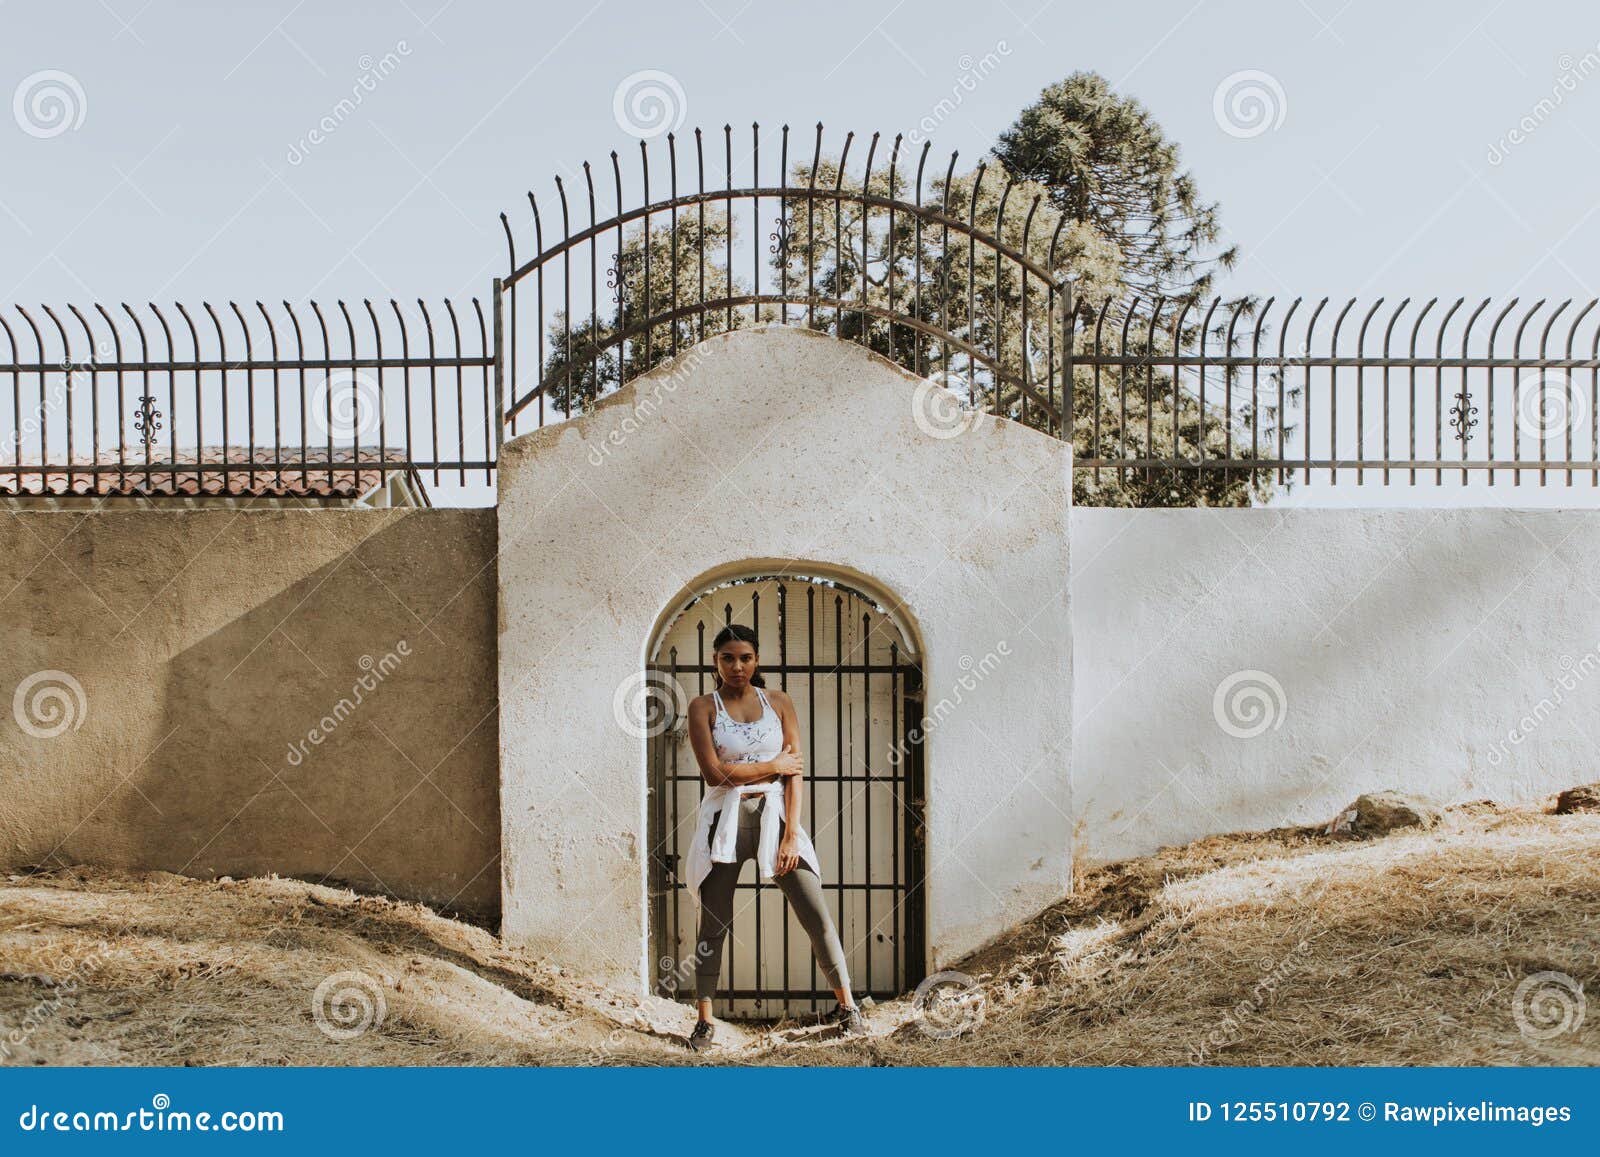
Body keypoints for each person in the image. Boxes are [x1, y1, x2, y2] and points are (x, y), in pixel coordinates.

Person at [679, 622, 862, 1050]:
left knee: (815, 914)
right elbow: (713, 773)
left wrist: (791, 835)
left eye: (745, 657)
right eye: (728, 658)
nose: (737, 666)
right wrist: (774, 765)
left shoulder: (778, 702)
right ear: (715, 662)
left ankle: (848, 1007)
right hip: (724, 822)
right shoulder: (702, 707)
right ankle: (704, 1022)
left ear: (756, 660)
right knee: (714, 922)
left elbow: (796, 771)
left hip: (776, 817)